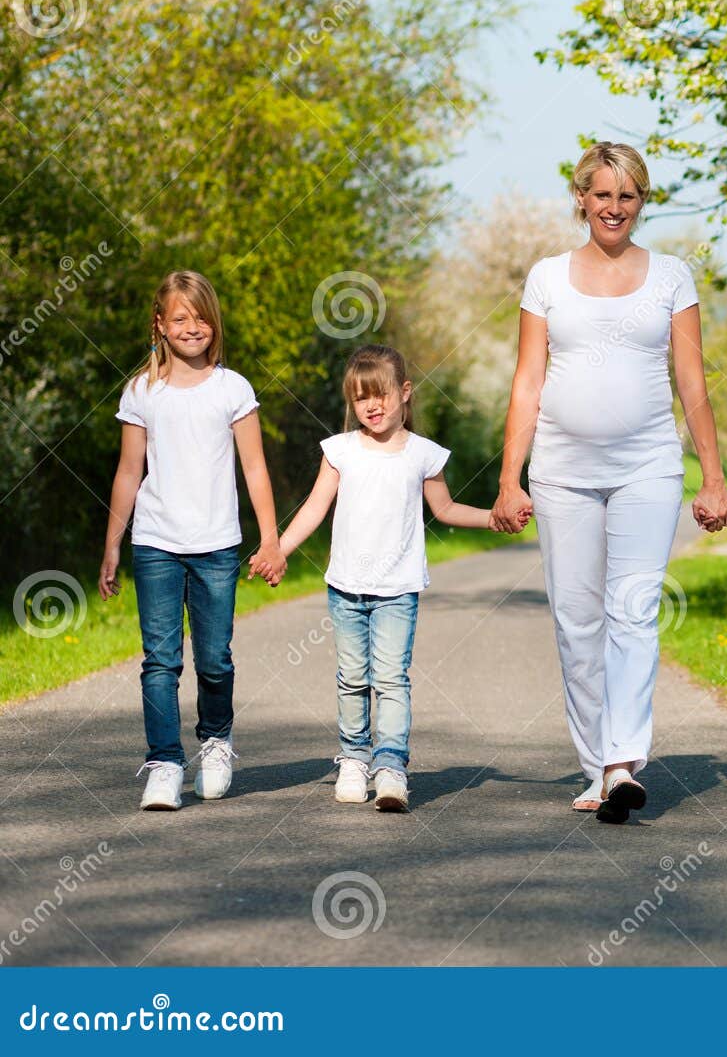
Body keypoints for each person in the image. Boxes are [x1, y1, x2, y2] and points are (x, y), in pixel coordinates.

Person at [491, 141, 727, 823]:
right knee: (577, 619)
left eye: (627, 196)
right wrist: (510, 479)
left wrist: (713, 476)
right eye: (603, 195)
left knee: (632, 610)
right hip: (563, 472)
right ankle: (600, 761)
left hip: (648, 466)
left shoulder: (671, 277)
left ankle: (623, 760)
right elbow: (527, 380)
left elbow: (692, 380)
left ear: (642, 202)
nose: (614, 207)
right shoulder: (546, 277)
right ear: (581, 199)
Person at [259, 344, 509, 813]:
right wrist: (278, 548)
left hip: (398, 590)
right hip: (346, 587)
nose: (371, 406)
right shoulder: (340, 450)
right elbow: (315, 506)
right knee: (352, 678)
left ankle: (391, 765)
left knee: (392, 678)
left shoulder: (422, 454)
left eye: (380, 394)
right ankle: (354, 758)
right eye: (360, 398)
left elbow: (446, 509)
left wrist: (492, 518)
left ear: (405, 393)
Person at [99, 270, 284, 812]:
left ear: (214, 322)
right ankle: (164, 763)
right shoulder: (141, 391)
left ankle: (216, 741)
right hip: (155, 542)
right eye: (180, 318)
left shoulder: (233, 388)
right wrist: (113, 543)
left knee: (214, 658)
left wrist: (270, 539)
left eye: (201, 317)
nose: (192, 327)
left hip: (217, 545)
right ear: (159, 324)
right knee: (159, 660)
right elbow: (129, 472)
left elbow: (255, 468)